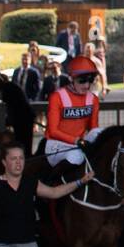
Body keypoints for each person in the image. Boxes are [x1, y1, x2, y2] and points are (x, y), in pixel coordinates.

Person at [42, 55, 102, 184]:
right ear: (71, 78)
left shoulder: (94, 100)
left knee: (100, 133)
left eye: (90, 80)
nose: (86, 85)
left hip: (78, 144)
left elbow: (94, 129)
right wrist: (76, 141)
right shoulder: (56, 97)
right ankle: (52, 182)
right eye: (82, 81)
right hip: (56, 145)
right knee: (77, 156)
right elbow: (52, 131)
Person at [0, 76, 36, 159]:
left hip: (21, 117)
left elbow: (7, 103)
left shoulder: (7, 89)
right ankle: (26, 157)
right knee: (26, 139)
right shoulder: (10, 86)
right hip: (25, 116)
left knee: (22, 139)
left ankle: (25, 157)